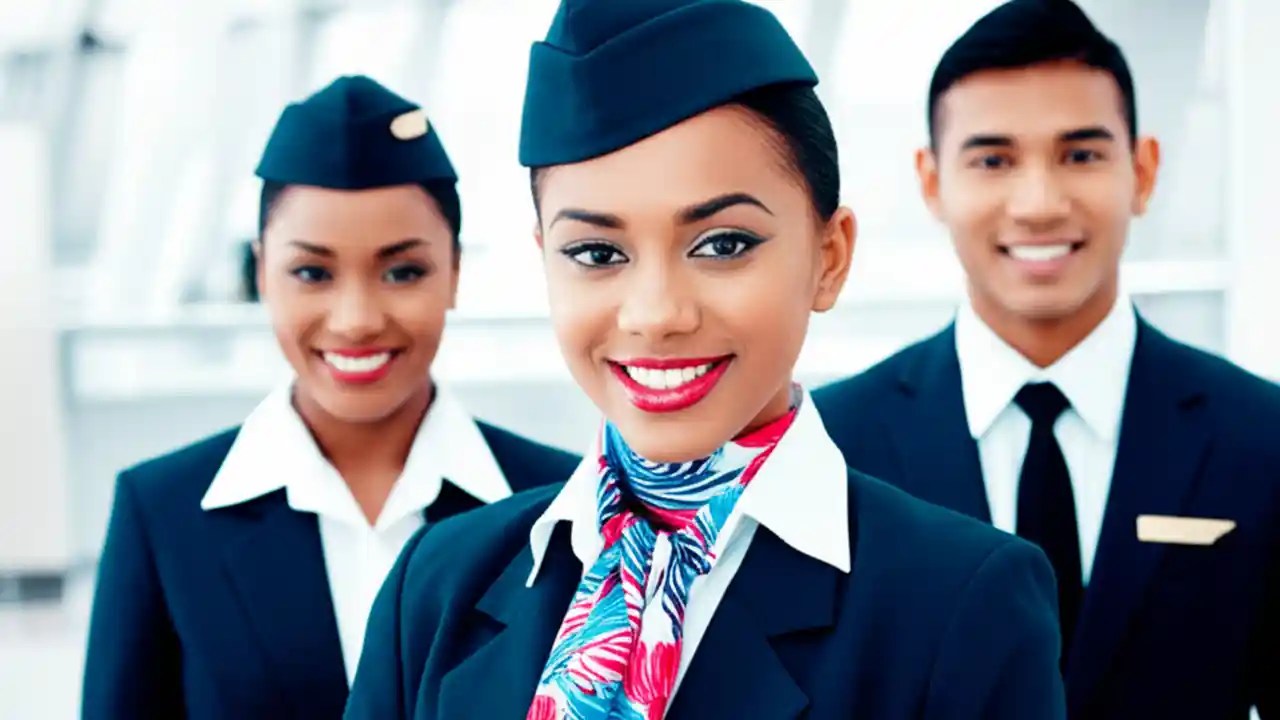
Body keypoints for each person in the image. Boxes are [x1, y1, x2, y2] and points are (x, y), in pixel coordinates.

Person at [344, 2, 1066, 718]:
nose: (657, 314)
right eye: (597, 254)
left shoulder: (959, 604)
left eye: (722, 244)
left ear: (830, 256)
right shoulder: (437, 587)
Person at [813, 1, 1280, 717]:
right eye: (994, 159)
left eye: (1081, 154)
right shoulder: (830, 447)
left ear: (1144, 171)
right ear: (932, 182)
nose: (1038, 204)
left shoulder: (1261, 436)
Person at [81, 75, 578, 720]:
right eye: (312, 273)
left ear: (454, 272)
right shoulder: (163, 514)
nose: (357, 320)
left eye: (403, 271)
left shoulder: (560, 502)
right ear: (262, 273)